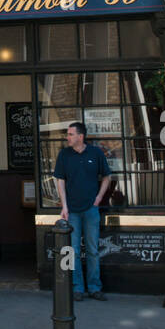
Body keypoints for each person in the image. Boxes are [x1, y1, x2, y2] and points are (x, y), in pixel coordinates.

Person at [53, 121, 112, 301]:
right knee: (73, 250)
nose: (67, 137)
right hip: (72, 211)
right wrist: (64, 206)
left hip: (91, 209)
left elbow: (107, 176)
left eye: (71, 134)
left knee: (93, 250)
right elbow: (60, 180)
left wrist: (98, 198)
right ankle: (77, 288)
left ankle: (95, 287)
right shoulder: (64, 155)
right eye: (68, 134)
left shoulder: (95, 153)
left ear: (81, 136)